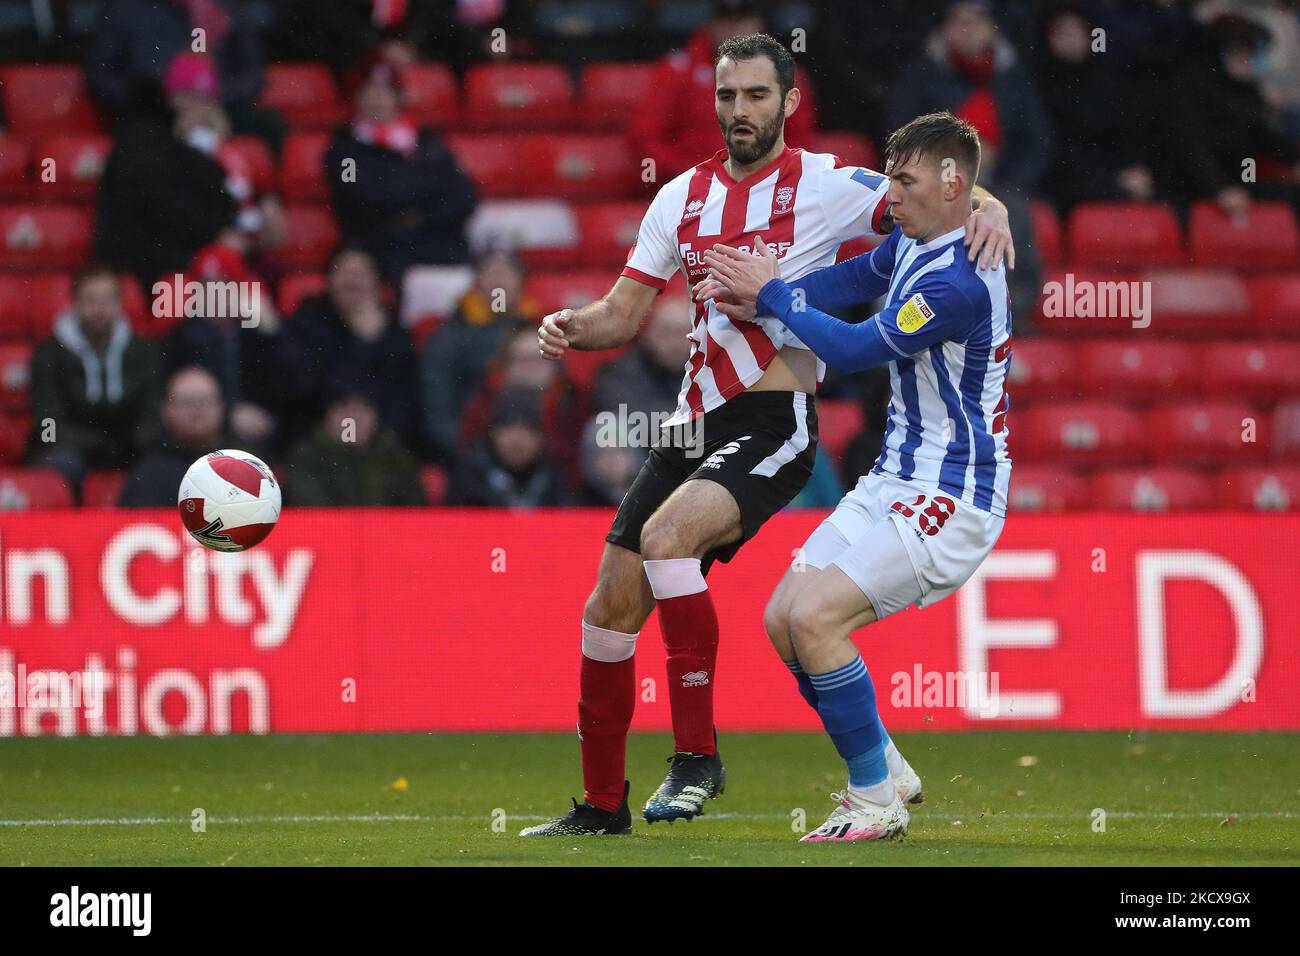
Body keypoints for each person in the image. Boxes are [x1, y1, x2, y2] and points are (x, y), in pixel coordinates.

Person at [521, 33, 1013, 838]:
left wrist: (991, 210)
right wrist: (574, 326)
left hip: (772, 416)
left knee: (671, 537)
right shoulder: (678, 197)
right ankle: (601, 805)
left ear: (788, 102)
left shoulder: (827, 184)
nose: (739, 111)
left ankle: (696, 756)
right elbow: (621, 314)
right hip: (689, 422)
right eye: (726, 97)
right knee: (606, 610)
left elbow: (929, 199)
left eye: (756, 96)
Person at [700, 112, 1011, 842]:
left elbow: (856, 347)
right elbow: (852, 277)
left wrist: (777, 295)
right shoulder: (917, 234)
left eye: (902, 180)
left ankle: (874, 800)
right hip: (893, 477)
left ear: (951, 184)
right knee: (782, 620)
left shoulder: (960, 281)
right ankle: (886, 766)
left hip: (953, 493)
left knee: (817, 620)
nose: (889, 195)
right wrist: (767, 293)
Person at [325, 56, 478, 286]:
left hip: (436, 237)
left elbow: (463, 195)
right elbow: (366, 197)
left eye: (384, 92)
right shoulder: (344, 147)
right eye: (369, 91)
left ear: (398, 98)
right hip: (379, 243)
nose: (376, 99)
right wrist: (422, 187)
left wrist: (416, 204)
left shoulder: (427, 139)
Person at [26, 265, 161, 496]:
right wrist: (95, 443)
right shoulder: (49, 354)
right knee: (60, 463)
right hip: (69, 448)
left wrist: (131, 441)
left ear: (120, 305)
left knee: (159, 464)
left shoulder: (143, 352)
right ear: (75, 304)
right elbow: (47, 425)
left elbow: (152, 413)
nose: (100, 309)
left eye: (107, 300)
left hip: (127, 447)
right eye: (91, 300)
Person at [279, 248, 422, 452]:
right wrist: (360, 343)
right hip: (314, 440)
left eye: (362, 273)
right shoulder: (304, 325)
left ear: (378, 285)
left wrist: (374, 429)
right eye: (344, 272)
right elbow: (301, 389)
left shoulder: (394, 336)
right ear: (328, 281)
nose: (353, 281)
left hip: (380, 446)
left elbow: (405, 401)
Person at [421, 249, 538, 465]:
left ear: (521, 281)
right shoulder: (448, 338)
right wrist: (470, 455)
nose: (499, 281)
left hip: (533, 456)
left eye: (507, 273)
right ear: (477, 281)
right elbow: (436, 409)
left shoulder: (538, 331)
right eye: (492, 272)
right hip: (468, 456)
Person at [285, 394, 425, 506]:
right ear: (329, 415)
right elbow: (312, 507)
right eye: (346, 408)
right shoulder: (308, 456)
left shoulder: (395, 455)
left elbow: (415, 508)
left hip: (388, 535)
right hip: (328, 535)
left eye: (364, 408)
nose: (355, 418)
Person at [445, 389, 571, 508]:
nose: (516, 441)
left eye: (526, 430)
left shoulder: (554, 481)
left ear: (540, 438)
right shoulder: (469, 481)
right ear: (493, 434)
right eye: (508, 430)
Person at [119, 366, 227, 507]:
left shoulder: (243, 463)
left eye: (205, 401)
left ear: (221, 406)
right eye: (187, 402)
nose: (197, 410)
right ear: (167, 410)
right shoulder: (149, 473)